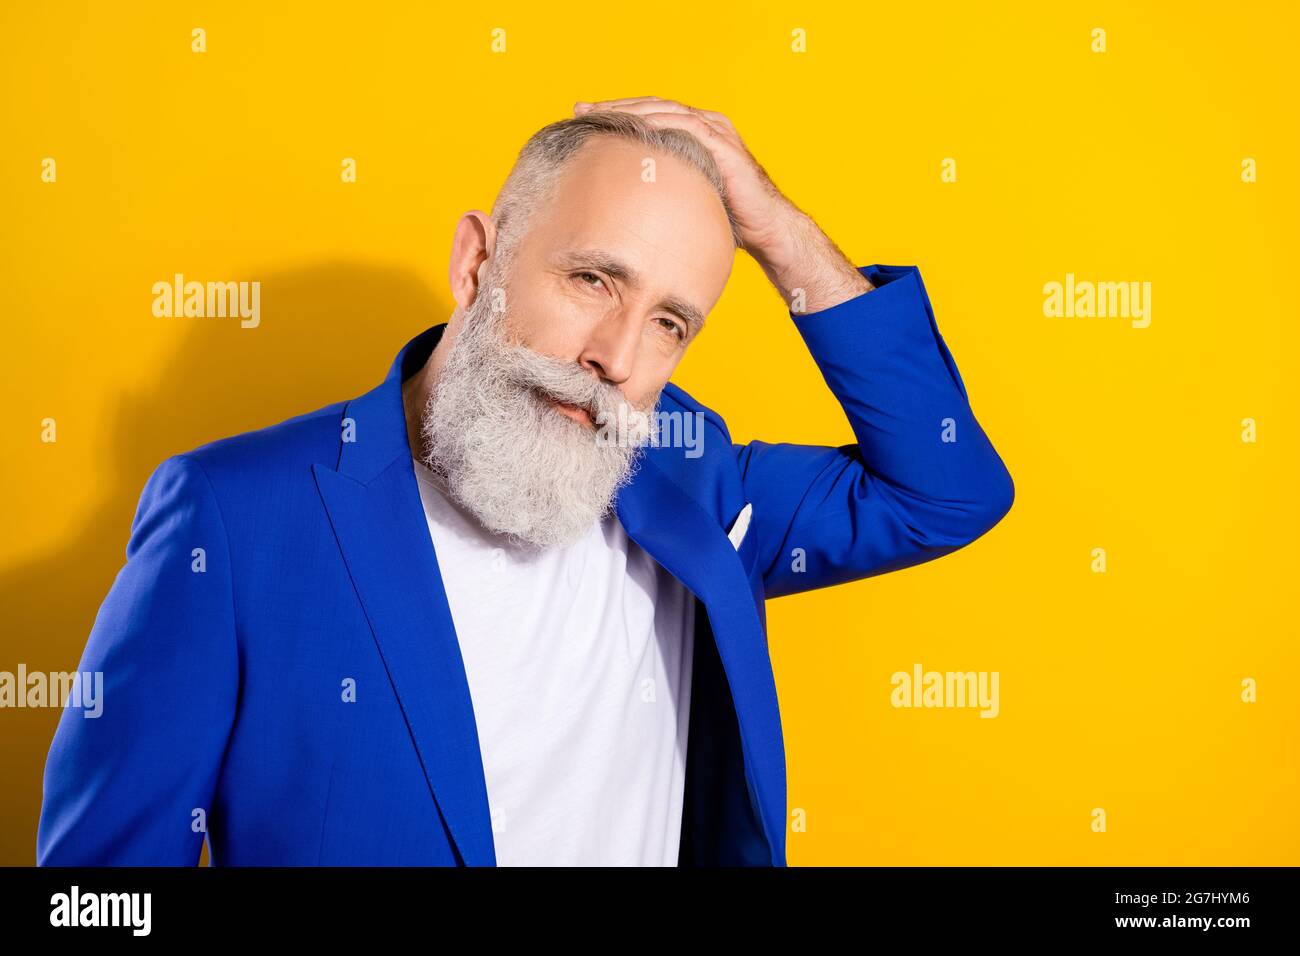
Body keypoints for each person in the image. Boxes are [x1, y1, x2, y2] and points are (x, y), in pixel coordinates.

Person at [37, 97, 1014, 866]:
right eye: (594, 280)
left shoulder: (690, 479)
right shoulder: (234, 517)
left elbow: (945, 490)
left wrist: (783, 239)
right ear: (476, 260)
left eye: (671, 322)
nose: (617, 355)